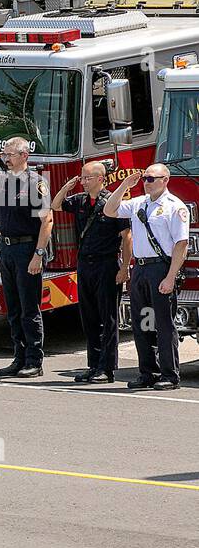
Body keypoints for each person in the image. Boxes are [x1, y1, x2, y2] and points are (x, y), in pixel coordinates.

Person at [0, 136, 53, 377]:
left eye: (10, 155)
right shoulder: (1, 180)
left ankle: (34, 361)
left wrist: (38, 254)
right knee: (13, 308)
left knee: (29, 308)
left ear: (25, 156)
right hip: (7, 250)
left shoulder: (35, 182)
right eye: (4, 154)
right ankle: (19, 357)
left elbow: (47, 221)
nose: (6, 158)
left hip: (27, 249)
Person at [104, 164, 189, 391]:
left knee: (163, 324)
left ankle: (169, 374)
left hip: (160, 268)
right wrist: (124, 185)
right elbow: (109, 210)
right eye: (145, 178)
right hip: (140, 268)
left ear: (165, 180)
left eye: (152, 178)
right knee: (143, 322)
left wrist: (170, 277)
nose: (147, 182)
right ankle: (148, 372)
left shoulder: (175, 207)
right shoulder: (138, 203)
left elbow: (181, 244)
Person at [52, 161, 131, 383]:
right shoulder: (79, 201)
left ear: (100, 179)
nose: (84, 182)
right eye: (82, 178)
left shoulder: (112, 203)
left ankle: (107, 368)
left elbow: (127, 236)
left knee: (108, 318)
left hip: (106, 264)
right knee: (89, 317)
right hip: (85, 264)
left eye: (87, 178)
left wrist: (124, 267)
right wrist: (66, 188)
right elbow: (56, 205)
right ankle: (93, 364)